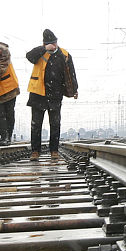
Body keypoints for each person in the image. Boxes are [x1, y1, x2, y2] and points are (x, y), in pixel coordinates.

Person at [25, 28, 78, 162]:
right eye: (49, 43)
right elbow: (29, 56)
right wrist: (43, 49)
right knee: (36, 124)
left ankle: (54, 150)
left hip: (55, 94)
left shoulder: (64, 54)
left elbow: (71, 73)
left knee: (55, 123)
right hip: (38, 93)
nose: (52, 46)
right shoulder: (39, 52)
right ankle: (35, 151)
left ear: (56, 42)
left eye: (53, 43)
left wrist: (74, 89)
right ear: (44, 44)